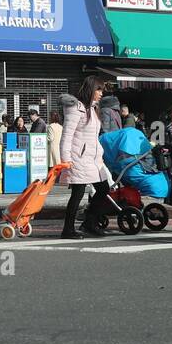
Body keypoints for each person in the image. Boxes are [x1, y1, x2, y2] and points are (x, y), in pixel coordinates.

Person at [58, 75, 112, 239]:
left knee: (103, 189)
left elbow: (92, 138)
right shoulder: (76, 108)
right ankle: (68, 230)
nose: (101, 93)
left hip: (93, 159)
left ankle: (89, 222)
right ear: (91, 89)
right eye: (99, 89)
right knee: (78, 194)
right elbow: (66, 135)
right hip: (78, 158)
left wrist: (100, 154)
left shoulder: (93, 109)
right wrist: (66, 159)